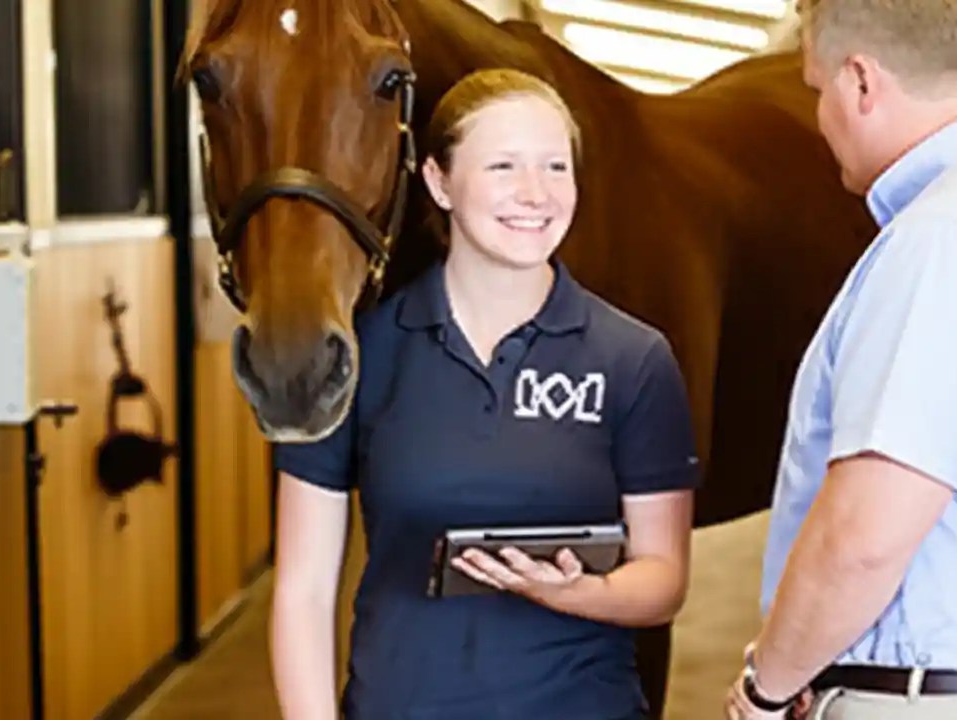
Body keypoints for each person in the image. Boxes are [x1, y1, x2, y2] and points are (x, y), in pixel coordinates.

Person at [269, 68, 700, 720]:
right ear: (439, 182)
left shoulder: (633, 359)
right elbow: (302, 588)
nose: (536, 194)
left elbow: (664, 580)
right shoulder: (360, 355)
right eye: (504, 166)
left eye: (557, 167)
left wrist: (576, 592)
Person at [725, 1, 957, 719]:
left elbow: (864, 536)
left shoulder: (945, 242)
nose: (819, 118)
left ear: (862, 82)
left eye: (817, 89)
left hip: (934, 702)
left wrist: (767, 684)